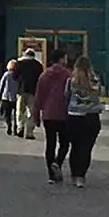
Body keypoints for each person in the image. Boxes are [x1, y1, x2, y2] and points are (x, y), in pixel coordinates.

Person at [64, 54, 104, 187]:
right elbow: (100, 94)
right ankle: (81, 175)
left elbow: (66, 96)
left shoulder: (71, 80)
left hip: (74, 115)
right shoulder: (95, 80)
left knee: (75, 147)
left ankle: (74, 173)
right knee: (86, 148)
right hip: (91, 116)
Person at [33, 48, 72, 183]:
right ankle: (57, 162)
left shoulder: (44, 75)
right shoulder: (68, 75)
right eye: (65, 58)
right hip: (63, 114)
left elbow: (39, 97)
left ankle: (51, 174)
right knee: (65, 143)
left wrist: (36, 115)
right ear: (61, 59)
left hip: (48, 114)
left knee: (50, 143)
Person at [15, 47, 43, 139]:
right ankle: (29, 132)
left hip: (21, 91)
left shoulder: (19, 63)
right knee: (31, 112)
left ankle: (20, 128)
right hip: (33, 91)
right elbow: (40, 79)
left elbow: (14, 76)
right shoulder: (38, 65)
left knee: (20, 111)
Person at [0, 59, 20, 135]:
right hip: (16, 97)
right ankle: (16, 127)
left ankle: (9, 125)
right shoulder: (19, 75)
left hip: (6, 97)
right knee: (16, 114)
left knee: (7, 114)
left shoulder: (6, 74)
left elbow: (1, 86)